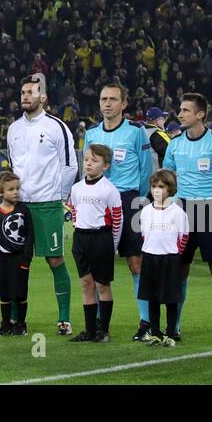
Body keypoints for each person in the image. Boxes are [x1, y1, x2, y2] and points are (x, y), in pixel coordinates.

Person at [82, 81, 164, 340]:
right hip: (97, 201)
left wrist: (136, 198)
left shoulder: (135, 132)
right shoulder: (92, 134)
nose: (107, 103)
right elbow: (87, 166)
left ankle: (145, 322)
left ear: (124, 104)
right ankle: (96, 323)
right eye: (103, 99)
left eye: (113, 99)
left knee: (135, 262)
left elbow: (145, 169)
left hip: (128, 200)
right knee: (95, 265)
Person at [161, 92, 212, 344]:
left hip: (209, 209)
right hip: (181, 211)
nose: (180, 114)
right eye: (180, 110)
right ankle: (174, 326)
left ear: (200, 114)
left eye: (185, 110)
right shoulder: (175, 144)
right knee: (179, 269)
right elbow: (167, 179)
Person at [6, 75, 78, 334]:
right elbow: (13, 167)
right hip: (19, 206)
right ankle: (15, 320)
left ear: (43, 97)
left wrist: (58, 196)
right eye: (23, 92)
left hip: (48, 205)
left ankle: (64, 318)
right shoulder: (13, 129)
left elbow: (70, 165)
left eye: (31, 92)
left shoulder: (57, 127)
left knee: (55, 260)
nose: (25, 96)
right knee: (16, 263)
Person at [68, 144, 123, 342]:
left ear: (105, 166)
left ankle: (103, 330)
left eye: (95, 160)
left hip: (102, 239)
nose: (89, 163)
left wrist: (113, 245)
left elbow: (118, 219)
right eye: (87, 159)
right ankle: (90, 331)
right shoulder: (76, 188)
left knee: (102, 285)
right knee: (86, 284)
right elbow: (74, 211)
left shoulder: (109, 190)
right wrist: (76, 226)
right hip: (81, 239)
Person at [139, 169, 187, 346]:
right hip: (150, 257)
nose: (156, 190)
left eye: (161, 187)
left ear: (170, 189)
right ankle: (156, 333)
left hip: (170, 259)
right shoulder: (145, 211)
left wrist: (174, 254)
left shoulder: (177, 212)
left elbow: (184, 236)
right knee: (153, 298)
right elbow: (145, 234)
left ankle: (171, 333)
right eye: (153, 186)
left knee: (171, 299)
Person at [0, 170, 34, 336]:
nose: (15, 192)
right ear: (0, 192)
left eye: (17, 188)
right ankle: (5, 324)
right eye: (11, 189)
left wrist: (26, 259)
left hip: (19, 258)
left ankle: (21, 325)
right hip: (2, 258)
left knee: (20, 293)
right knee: (4, 293)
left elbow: (30, 236)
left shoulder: (23, 210)